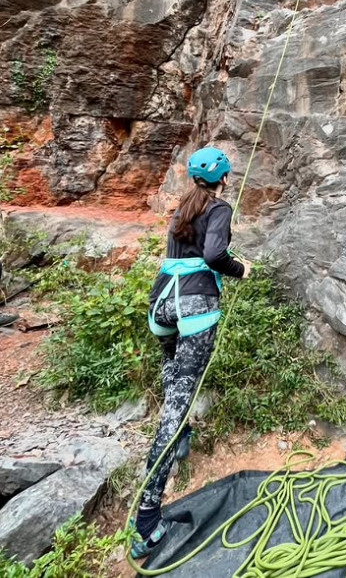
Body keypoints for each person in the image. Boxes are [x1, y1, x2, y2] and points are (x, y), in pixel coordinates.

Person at [131, 146, 251, 559]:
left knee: (172, 367)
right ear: (224, 178)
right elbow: (214, 255)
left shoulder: (184, 205)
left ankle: (180, 433)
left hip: (162, 305)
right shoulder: (218, 208)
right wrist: (239, 269)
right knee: (178, 399)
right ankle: (147, 519)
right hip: (195, 307)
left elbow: (187, 253)